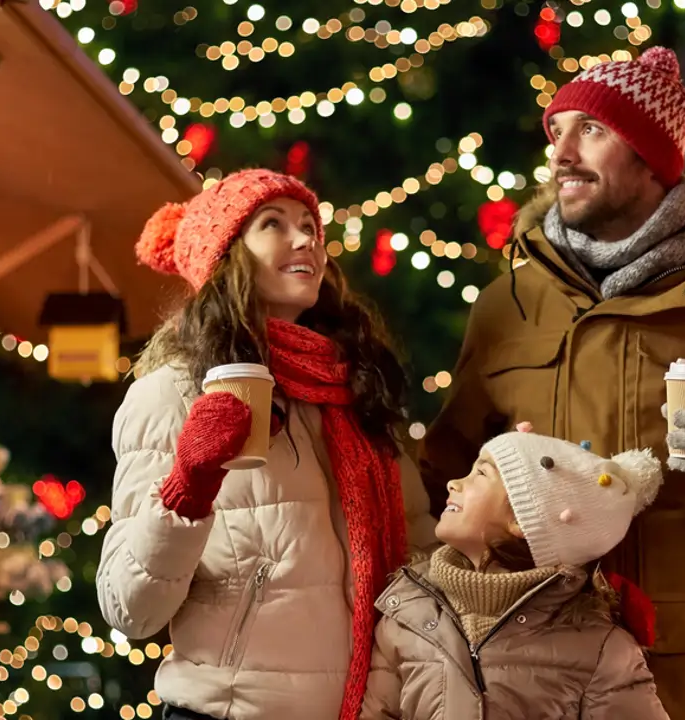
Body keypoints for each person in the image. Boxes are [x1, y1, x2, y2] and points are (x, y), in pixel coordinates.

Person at [419, 47, 685, 720]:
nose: (562, 152)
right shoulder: (505, 307)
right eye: (556, 130)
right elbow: (436, 487)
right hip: (536, 685)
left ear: (651, 157)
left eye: (590, 130)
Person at [98, 169, 438, 720]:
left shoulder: (356, 387)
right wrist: (190, 485)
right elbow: (128, 609)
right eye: (273, 224)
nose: (306, 239)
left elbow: (418, 562)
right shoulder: (173, 391)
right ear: (226, 255)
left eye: (310, 226)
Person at [364, 424, 670, 719]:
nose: (453, 483)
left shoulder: (600, 647)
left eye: (480, 473)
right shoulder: (405, 614)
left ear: (522, 521)